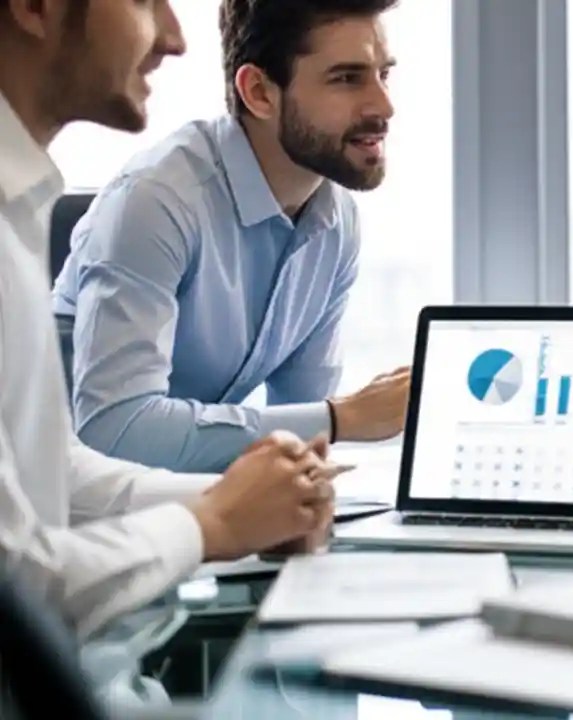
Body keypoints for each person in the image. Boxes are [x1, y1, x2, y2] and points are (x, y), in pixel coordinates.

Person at [0, 0, 335, 639]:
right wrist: (211, 525)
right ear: (36, 7)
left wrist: (251, 504)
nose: (174, 38)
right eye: (144, 1)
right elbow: (16, 584)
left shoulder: (18, 205)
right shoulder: (152, 195)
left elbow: (51, 475)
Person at [50, 0, 409, 474]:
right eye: (347, 78)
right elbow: (114, 431)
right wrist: (344, 418)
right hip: (57, 496)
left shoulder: (335, 221)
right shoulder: (157, 200)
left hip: (184, 497)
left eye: (384, 74)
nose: (383, 106)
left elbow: (302, 436)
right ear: (259, 92)